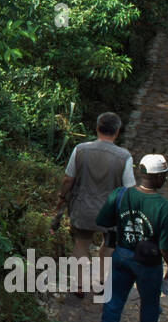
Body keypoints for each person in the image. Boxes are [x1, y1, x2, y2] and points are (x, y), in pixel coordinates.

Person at [95, 154, 168, 322]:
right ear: (159, 177)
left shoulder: (120, 194)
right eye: (165, 175)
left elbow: (103, 220)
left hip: (122, 255)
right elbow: (167, 247)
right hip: (149, 262)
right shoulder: (165, 208)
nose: (166, 179)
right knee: (150, 303)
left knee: (113, 300)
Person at [51, 112, 135, 297]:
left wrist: (62, 197)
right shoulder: (124, 157)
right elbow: (129, 188)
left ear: (97, 128)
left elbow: (68, 179)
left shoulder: (81, 149)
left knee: (81, 244)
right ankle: (102, 283)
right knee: (109, 245)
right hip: (111, 212)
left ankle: (78, 285)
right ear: (117, 131)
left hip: (83, 207)